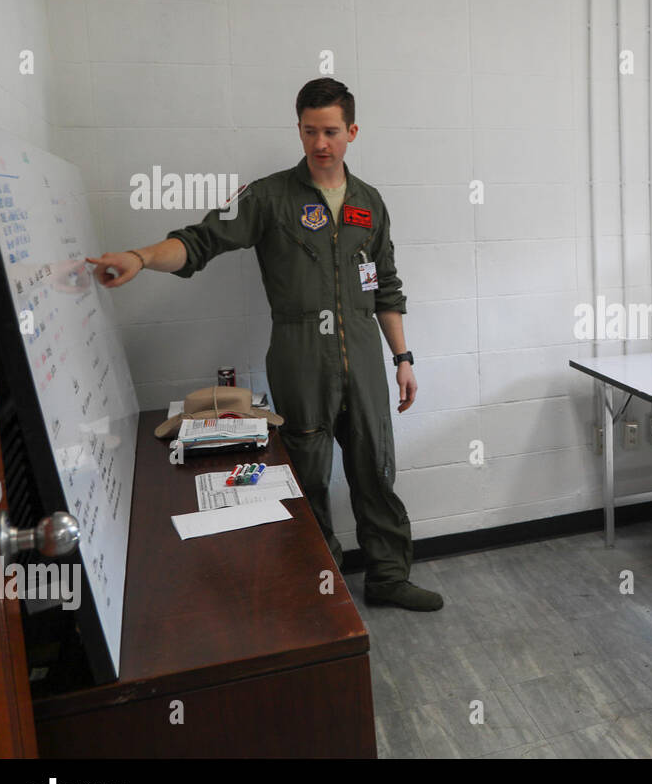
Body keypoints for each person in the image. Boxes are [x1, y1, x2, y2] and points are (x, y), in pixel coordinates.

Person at [86, 78, 443, 612]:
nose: (319, 143)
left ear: (352, 131)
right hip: (300, 355)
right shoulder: (269, 196)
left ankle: (388, 578)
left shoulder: (370, 202)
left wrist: (403, 358)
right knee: (307, 475)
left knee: (375, 469)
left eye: (330, 131)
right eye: (308, 130)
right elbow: (200, 240)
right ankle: (318, 585)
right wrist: (141, 257)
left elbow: (385, 285)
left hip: (367, 355)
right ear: (298, 129)